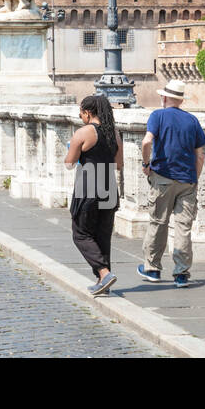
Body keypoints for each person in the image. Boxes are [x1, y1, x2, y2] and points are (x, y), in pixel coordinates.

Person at [138, 79, 205, 288]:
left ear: (165, 97)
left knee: (158, 222)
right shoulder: (192, 121)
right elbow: (201, 155)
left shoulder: (157, 116)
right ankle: (181, 274)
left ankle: (152, 268)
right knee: (183, 227)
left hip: (163, 178)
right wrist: (194, 178)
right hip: (187, 180)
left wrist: (146, 163)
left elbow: (146, 141)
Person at [65, 95, 123, 296]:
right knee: (102, 235)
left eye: (80, 113)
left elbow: (69, 163)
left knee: (81, 233)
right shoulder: (114, 134)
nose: (80, 116)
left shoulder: (83, 132)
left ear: (88, 112)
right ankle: (102, 281)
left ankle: (104, 273)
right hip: (109, 185)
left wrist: (75, 152)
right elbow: (119, 164)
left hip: (89, 185)